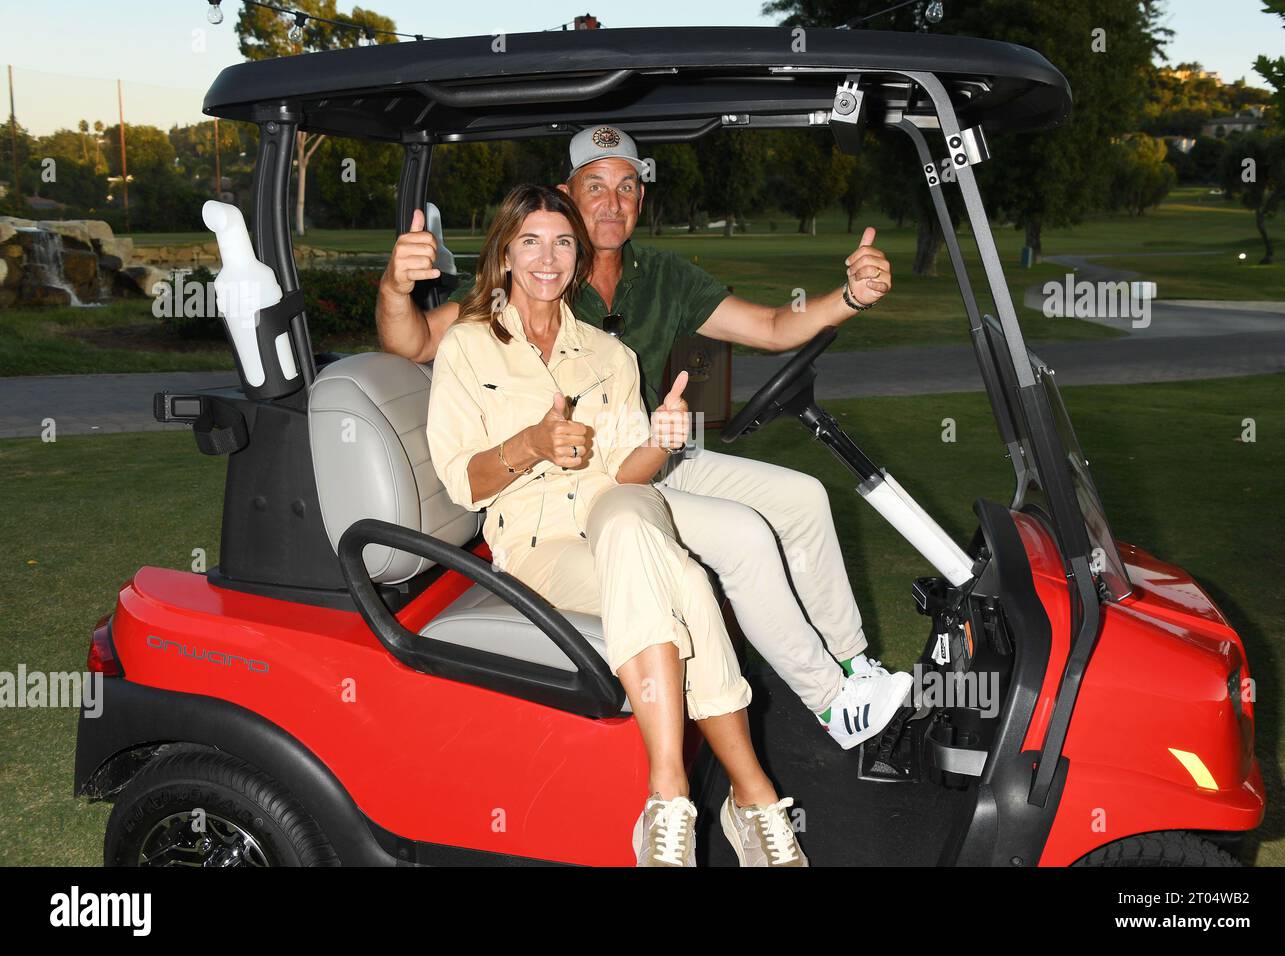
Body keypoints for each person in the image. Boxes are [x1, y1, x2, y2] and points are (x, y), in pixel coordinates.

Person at [382, 125, 913, 749]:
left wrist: (851, 295)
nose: (612, 203)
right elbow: (414, 341)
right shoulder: (538, 276)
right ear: (567, 195)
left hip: (655, 451)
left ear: (641, 198)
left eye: (627, 187)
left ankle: (852, 665)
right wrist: (396, 286)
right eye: (595, 187)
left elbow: (771, 326)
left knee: (803, 499)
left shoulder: (663, 274)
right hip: (597, 482)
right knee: (743, 539)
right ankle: (831, 701)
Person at [426, 183, 807, 867]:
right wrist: (532, 446)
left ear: (578, 256)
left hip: (614, 513)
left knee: (633, 523)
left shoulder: (610, 355)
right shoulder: (466, 347)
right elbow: (464, 481)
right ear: (506, 254)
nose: (549, 258)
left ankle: (668, 796)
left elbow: (628, 475)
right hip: (536, 546)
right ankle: (753, 798)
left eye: (563, 242)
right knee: (683, 582)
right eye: (532, 242)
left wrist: (660, 441)